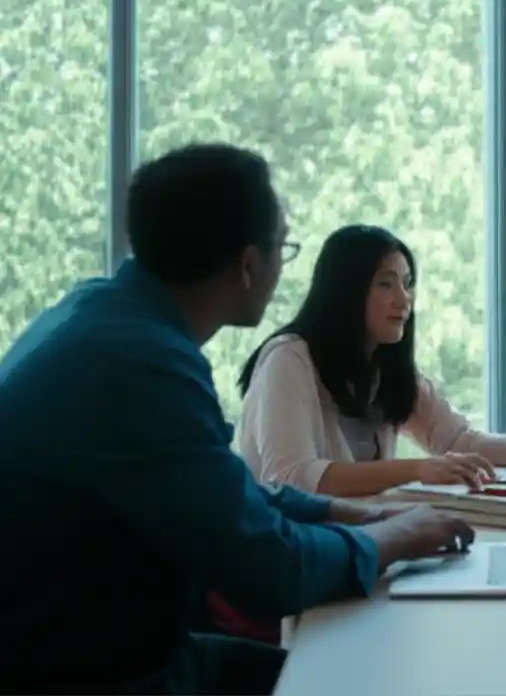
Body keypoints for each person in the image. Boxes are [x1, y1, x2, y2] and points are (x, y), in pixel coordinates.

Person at [0, 144, 475, 694]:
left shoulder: (102, 318)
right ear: (250, 266)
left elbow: (221, 491)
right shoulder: (140, 365)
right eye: (283, 248)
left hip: (112, 646)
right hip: (87, 673)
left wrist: (342, 512)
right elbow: (267, 573)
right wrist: (397, 537)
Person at [236, 224, 506, 498]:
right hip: (285, 557)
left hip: (353, 542)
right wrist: (417, 470)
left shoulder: (386, 368)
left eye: (407, 284)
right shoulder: (289, 360)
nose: (403, 298)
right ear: (347, 290)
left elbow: (459, 442)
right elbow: (292, 477)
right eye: (386, 284)